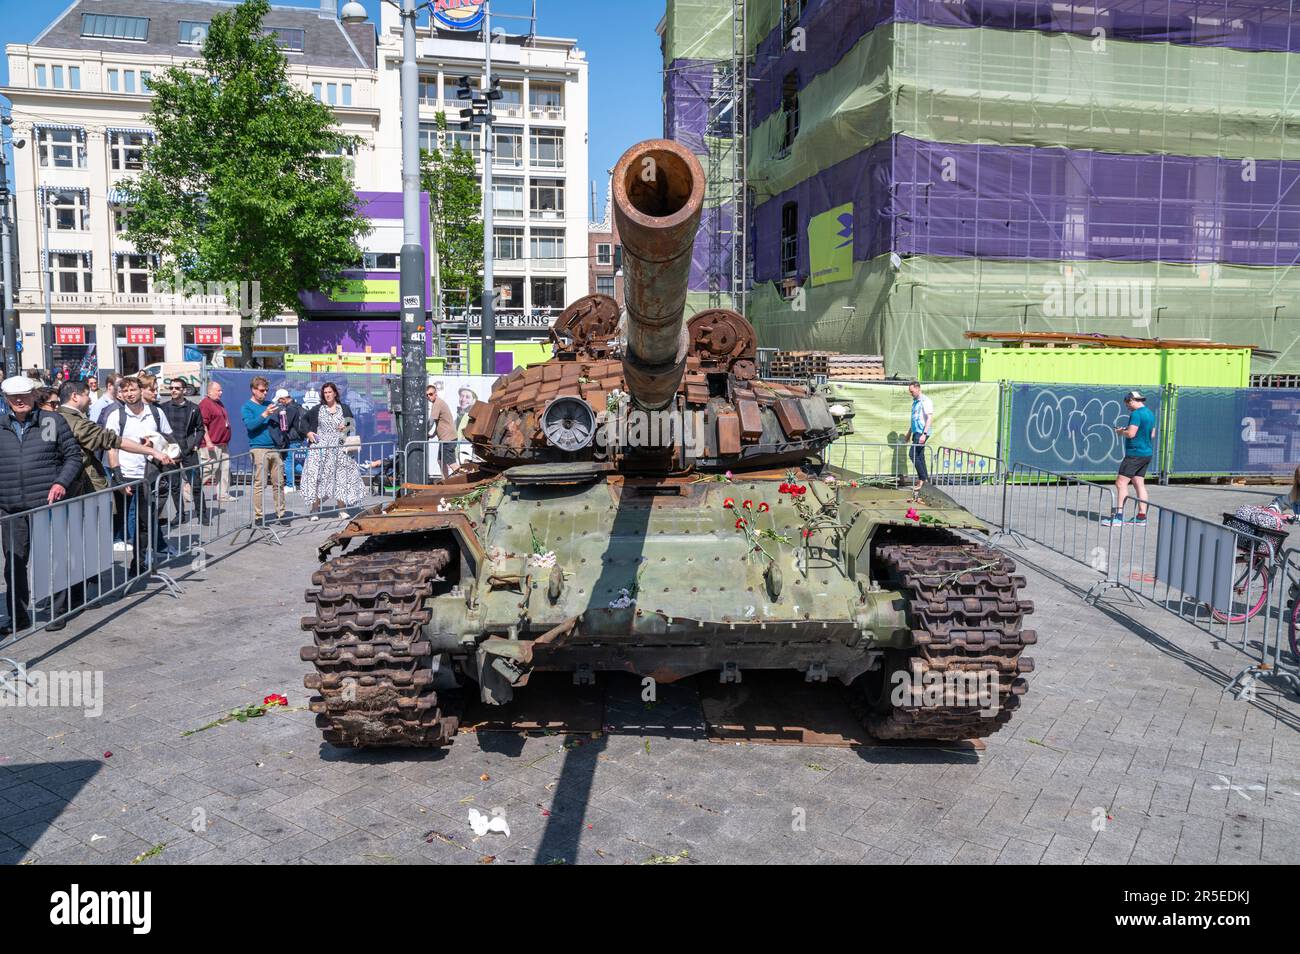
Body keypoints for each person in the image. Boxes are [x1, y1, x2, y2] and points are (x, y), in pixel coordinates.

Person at [56, 380, 174, 627]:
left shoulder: (155, 412)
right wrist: (148, 452)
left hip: (129, 477)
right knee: (80, 542)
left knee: (84, 541)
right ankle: (67, 601)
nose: (91, 400)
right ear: (77, 396)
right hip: (82, 487)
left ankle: (79, 595)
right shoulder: (72, 419)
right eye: (88, 395)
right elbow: (110, 440)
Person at [0, 375, 81, 636]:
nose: (19, 400)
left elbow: (73, 457)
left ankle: (57, 612)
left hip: (47, 503)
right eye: (14, 397)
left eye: (24, 395)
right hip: (11, 506)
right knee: (14, 563)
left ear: (34, 395)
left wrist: (61, 482)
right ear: (6, 399)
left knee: (52, 560)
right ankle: (19, 616)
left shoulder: (52, 421)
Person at [105, 376, 176, 568]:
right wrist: (118, 477)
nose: (129, 394)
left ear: (140, 390)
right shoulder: (116, 416)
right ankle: (140, 559)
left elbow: (169, 439)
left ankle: (141, 561)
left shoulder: (156, 413)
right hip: (127, 474)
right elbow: (111, 447)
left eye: (132, 390)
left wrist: (156, 444)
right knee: (132, 519)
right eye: (125, 391)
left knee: (146, 519)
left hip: (151, 473)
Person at [300, 382, 363, 520]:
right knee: (317, 478)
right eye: (325, 392)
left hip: (339, 445)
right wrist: (308, 433)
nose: (327, 395)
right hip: (320, 447)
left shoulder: (344, 408)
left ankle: (342, 509)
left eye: (330, 392)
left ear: (335, 393)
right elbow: (303, 421)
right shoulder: (317, 409)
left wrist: (345, 426)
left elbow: (351, 425)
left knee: (341, 477)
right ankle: (314, 510)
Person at [1103, 390, 1158, 527]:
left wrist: (1121, 432)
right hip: (1146, 453)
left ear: (1132, 400)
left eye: (1127, 403)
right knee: (1139, 484)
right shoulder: (1150, 414)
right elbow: (1152, 434)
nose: (1127, 406)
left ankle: (1118, 518)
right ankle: (1141, 517)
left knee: (1120, 484)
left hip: (1134, 454)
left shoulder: (1135, 414)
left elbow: (1131, 434)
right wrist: (1128, 430)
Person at [160, 378, 207, 525]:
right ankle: (180, 514)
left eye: (177, 388)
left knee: (196, 484)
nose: (173, 390)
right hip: (171, 453)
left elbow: (200, 429)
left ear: (184, 390)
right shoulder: (163, 408)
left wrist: (195, 444)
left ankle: (202, 514)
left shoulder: (193, 408)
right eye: (172, 388)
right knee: (174, 485)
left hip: (189, 452)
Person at [241, 376, 286, 525]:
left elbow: (279, 424)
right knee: (260, 484)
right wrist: (264, 414)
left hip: (275, 448)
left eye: (266, 390)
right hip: (259, 449)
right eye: (261, 390)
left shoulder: (270, 404)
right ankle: (259, 516)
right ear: (253, 390)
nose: (265, 393)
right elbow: (251, 426)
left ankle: (281, 514)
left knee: (279, 483)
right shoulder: (247, 407)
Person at [199, 380, 234, 502]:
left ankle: (222, 494)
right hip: (212, 444)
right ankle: (190, 489)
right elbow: (202, 425)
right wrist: (208, 442)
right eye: (218, 390)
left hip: (222, 443)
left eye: (221, 390)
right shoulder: (205, 404)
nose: (221, 392)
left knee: (224, 469)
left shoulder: (218, 403)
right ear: (209, 391)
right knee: (209, 469)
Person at [269, 388, 304, 491]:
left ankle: (290, 485)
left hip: (292, 439)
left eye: (280, 400)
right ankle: (310, 478)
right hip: (296, 438)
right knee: (294, 463)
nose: (279, 403)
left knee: (289, 461)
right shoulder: (295, 406)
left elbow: (285, 425)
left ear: (283, 399)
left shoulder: (290, 408)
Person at [906, 380, 934, 491]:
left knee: (912, 454)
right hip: (916, 432)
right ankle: (925, 481)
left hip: (922, 432)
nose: (911, 393)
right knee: (920, 456)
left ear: (918, 389)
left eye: (912, 391)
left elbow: (929, 418)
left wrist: (924, 434)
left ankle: (922, 479)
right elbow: (914, 420)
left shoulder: (925, 401)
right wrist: (909, 433)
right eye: (910, 391)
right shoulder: (915, 402)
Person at [426, 381, 455, 479]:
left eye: (430, 394)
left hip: (448, 438)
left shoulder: (437, 403)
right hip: (445, 438)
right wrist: (433, 435)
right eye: (427, 395)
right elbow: (440, 423)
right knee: (440, 461)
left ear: (435, 394)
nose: (429, 397)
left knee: (451, 463)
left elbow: (431, 421)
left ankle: (464, 482)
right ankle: (445, 481)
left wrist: (424, 431)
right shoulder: (438, 403)